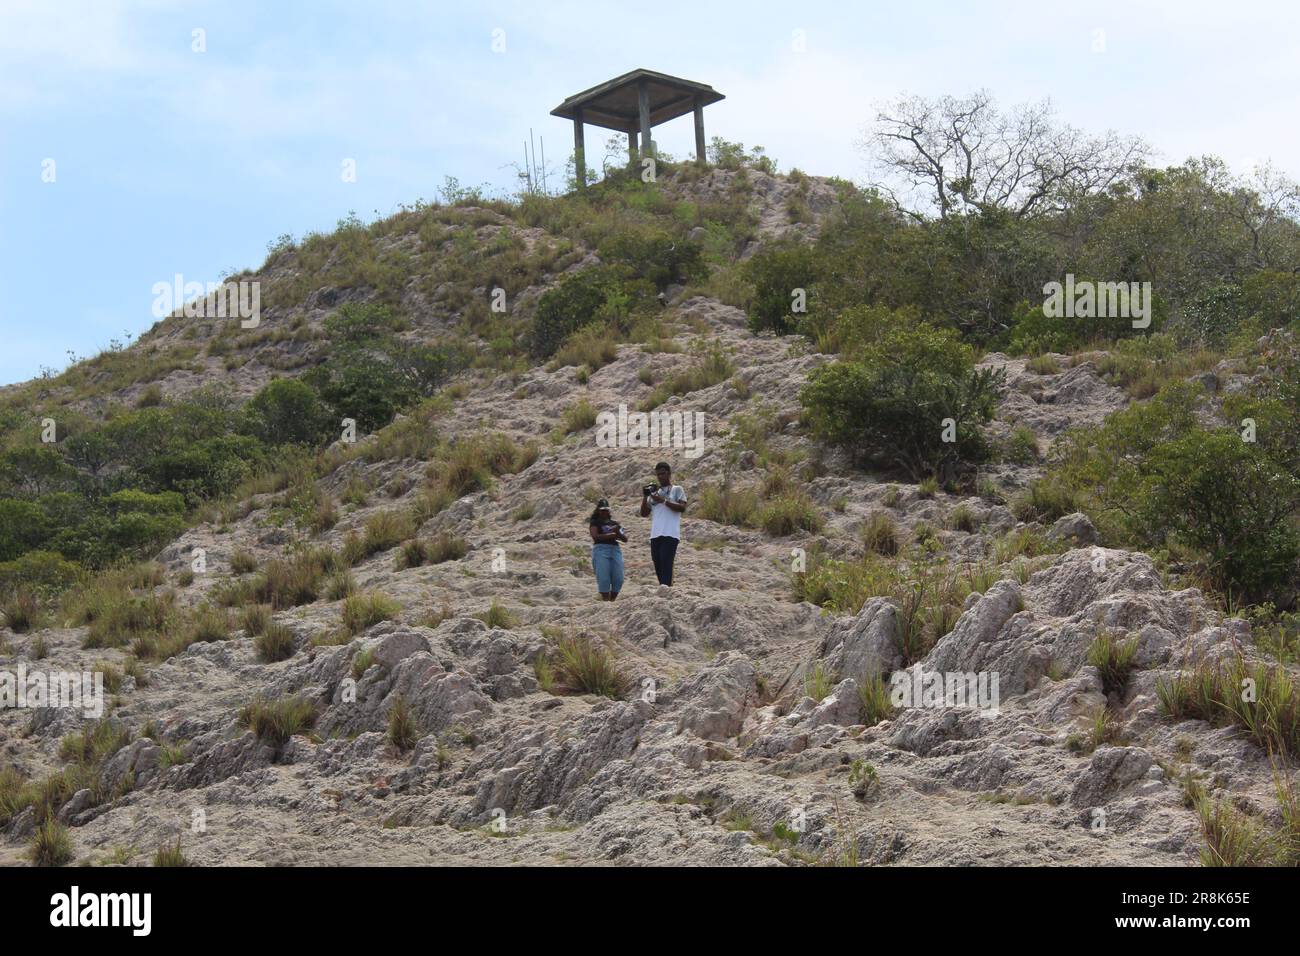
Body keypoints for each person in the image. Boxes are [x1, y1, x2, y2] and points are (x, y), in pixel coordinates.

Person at [640, 461, 687, 586]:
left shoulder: (677, 489)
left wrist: (663, 501)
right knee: (658, 566)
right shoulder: (655, 493)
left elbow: (682, 508)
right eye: (658, 474)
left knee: (666, 565)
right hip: (655, 535)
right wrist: (646, 496)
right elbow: (644, 513)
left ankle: (667, 591)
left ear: (669, 473)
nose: (660, 477)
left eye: (663, 473)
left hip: (670, 534)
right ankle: (665, 590)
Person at [588, 498, 627, 601]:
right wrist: (611, 535)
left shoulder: (614, 523)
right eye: (602, 510)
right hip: (601, 549)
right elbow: (595, 536)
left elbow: (625, 539)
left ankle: (612, 599)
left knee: (618, 578)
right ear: (598, 511)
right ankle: (605, 600)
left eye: (606, 510)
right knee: (604, 577)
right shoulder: (595, 522)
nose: (604, 512)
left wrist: (617, 532)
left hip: (615, 549)